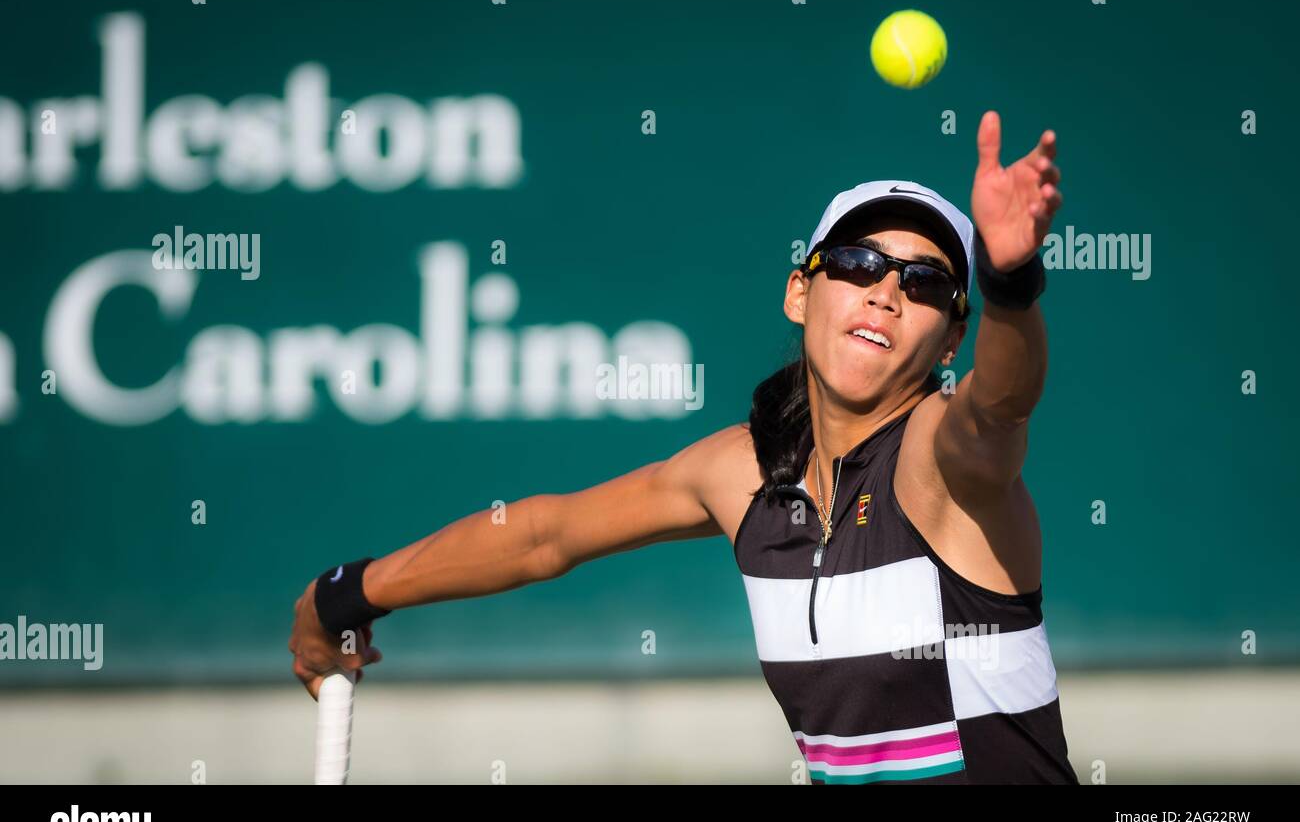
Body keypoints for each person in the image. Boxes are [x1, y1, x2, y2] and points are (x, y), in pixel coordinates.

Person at [289, 109, 1075, 784]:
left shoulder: (941, 455)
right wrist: (347, 593)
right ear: (800, 292)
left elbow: (1002, 404)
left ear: (952, 338)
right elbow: (541, 535)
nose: (886, 291)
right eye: (858, 263)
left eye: (926, 283)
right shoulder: (745, 474)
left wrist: (1010, 282)